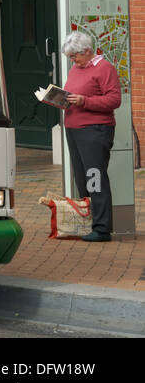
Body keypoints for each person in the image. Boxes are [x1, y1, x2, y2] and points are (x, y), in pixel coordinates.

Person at [59, 31, 119, 242]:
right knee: (82, 179)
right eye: (70, 57)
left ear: (86, 51)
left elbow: (114, 100)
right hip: (74, 129)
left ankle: (102, 229)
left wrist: (85, 101)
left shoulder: (104, 68)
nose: (72, 61)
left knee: (95, 179)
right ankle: (88, 223)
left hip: (94, 130)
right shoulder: (76, 69)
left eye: (74, 56)